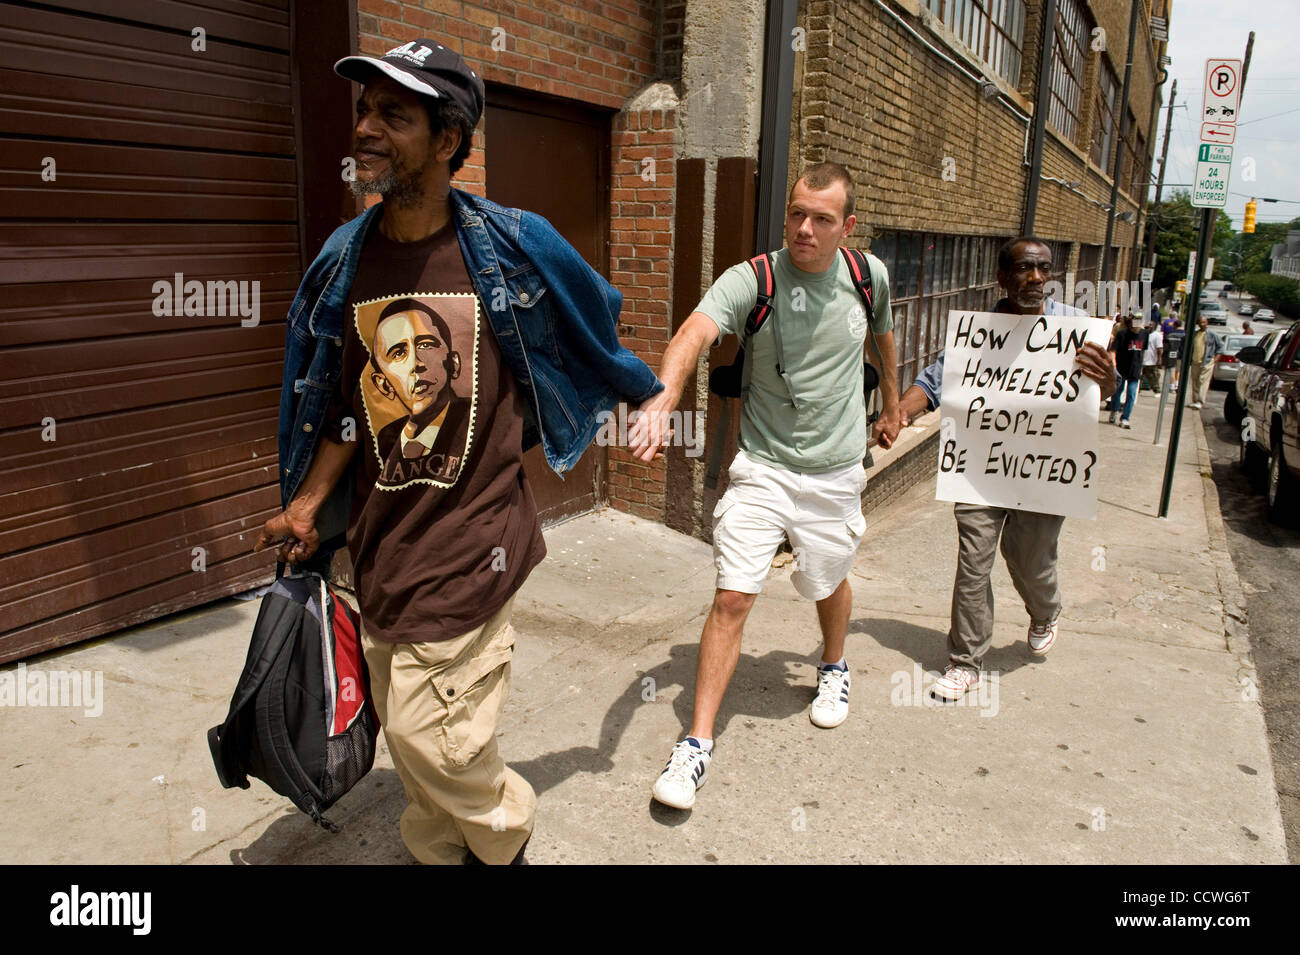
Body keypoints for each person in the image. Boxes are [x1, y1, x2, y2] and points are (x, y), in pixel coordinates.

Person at [253, 39, 663, 864]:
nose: (365, 128)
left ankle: (505, 834)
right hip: (378, 544)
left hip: (476, 539)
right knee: (409, 731)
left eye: (393, 116)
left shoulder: (511, 245)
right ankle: (439, 847)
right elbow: (340, 407)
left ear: (448, 141)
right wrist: (307, 503)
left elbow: (594, 314)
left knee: (429, 734)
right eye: (364, 110)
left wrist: (639, 388)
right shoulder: (345, 259)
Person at [628, 162, 901, 810]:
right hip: (764, 466)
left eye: (822, 219)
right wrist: (663, 396)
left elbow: (886, 339)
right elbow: (696, 329)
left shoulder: (868, 279)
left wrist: (893, 403)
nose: (804, 228)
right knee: (731, 598)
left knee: (825, 579)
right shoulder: (757, 278)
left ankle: (834, 665)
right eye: (796, 213)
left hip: (835, 471)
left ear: (848, 226)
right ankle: (695, 744)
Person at [888, 236, 1117, 701]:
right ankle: (964, 660)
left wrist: (1108, 380)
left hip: (1043, 471)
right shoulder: (981, 331)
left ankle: (1045, 611)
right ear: (1002, 276)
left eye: (1044, 269)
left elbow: (1100, 394)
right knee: (974, 561)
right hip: (980, 468)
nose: (1035, 278)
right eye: (1024, 268)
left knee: (1031, 559)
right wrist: (900, 413)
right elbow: (935, 381)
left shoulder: (1075, 327)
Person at [1108, 316, 1148, 428]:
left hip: (1135, 370)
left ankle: (1125, 418)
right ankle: (1114, 411)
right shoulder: (1122, 334)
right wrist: (1114, 364)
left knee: (1131, 394)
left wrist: (1142, 367)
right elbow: (1113, 350)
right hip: (1121, 369)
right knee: (1117, 393)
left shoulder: (1145, 334)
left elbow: (1143, 351)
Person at [1186, 314, 1223, 410]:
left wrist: (1215, 359)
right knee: (1195, 381)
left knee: (1203, 381)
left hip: (1207, 361)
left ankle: (1200, 401)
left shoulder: (1212, 334)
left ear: (1207, 323)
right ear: (1198, 323)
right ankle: (1195, 400)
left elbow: (1221, 346)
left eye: (1204, 322)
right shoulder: (1195, 334)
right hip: (1195, 361)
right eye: (1200, 322)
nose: (1202, 324)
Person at [1141, 320, 1163, 393]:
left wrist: (1159, 359)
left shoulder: (1157, 336)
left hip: (1152, 360)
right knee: (1139, 377)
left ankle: (1156, 391)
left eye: (1151, 325)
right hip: (1142, 360)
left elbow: (1159, 348)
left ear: (1154, 326)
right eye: (1148, 325)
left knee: (1154, 377)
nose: (1149, 326)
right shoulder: (1142, 334)